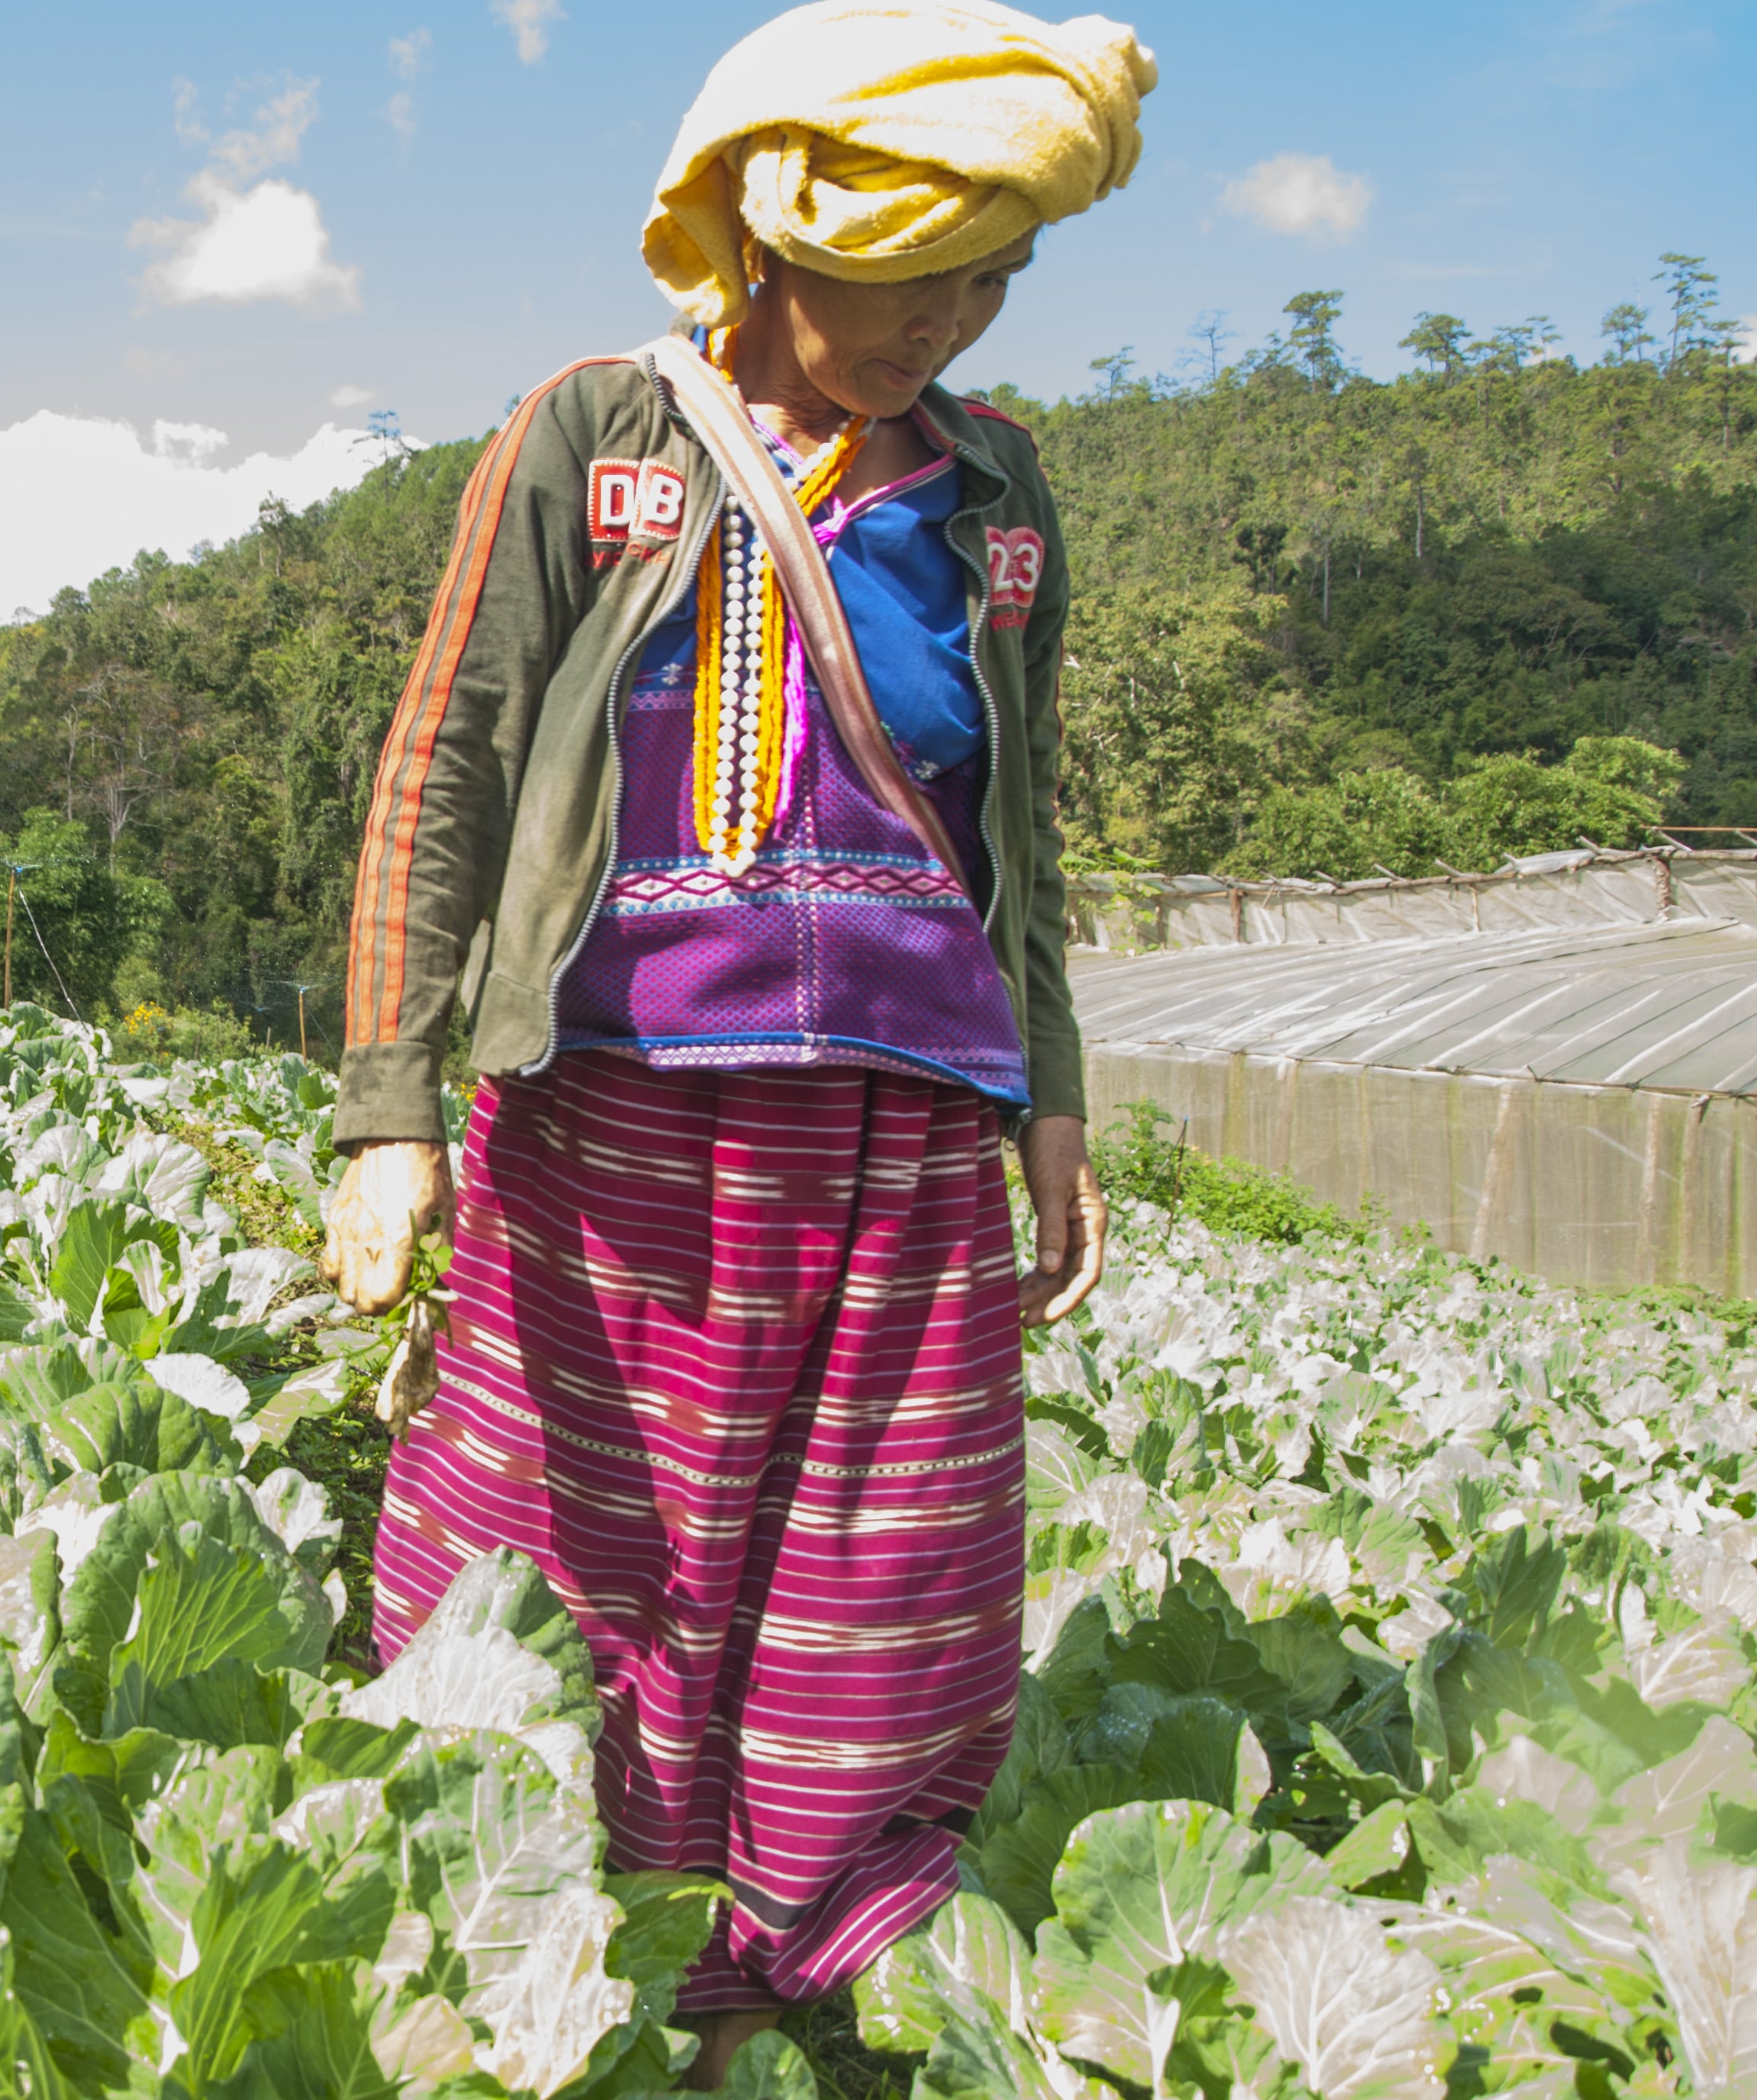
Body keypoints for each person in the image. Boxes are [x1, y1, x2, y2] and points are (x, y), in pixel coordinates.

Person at [317, 1, 1148, 2079]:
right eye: (901, 273)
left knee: (879, 1568)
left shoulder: (996, 498)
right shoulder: (601, 435)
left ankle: (814, 1967)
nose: (941, 317)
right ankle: (558, 1929)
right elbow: (453, 758)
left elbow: (1013, 826)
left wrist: (1050, 1100)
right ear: (775, 230)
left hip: (901, 1132)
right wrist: (388, 1110)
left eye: (990, 275)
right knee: (589, 1542)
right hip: (619, 1116)